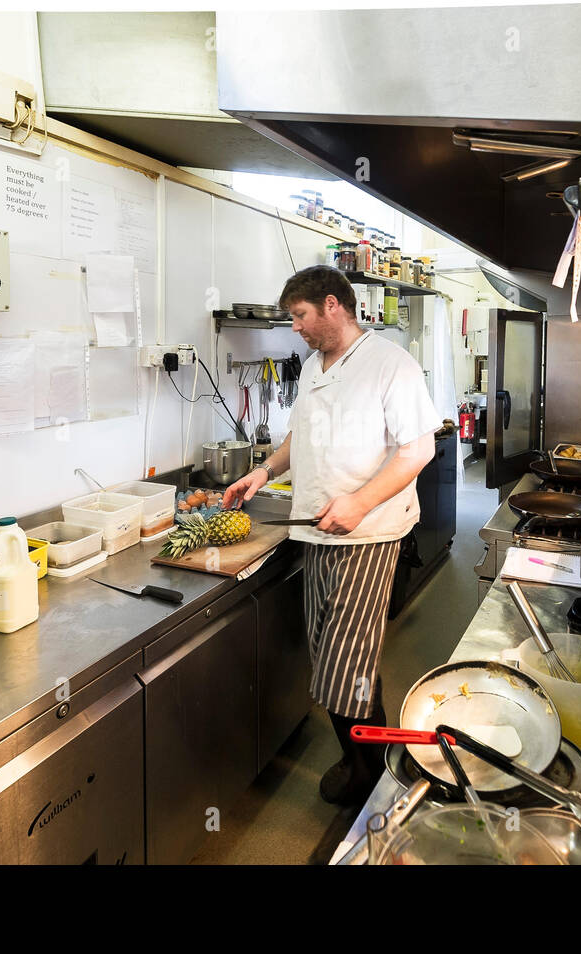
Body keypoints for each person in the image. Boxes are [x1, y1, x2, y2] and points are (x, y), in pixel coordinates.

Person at [222, 265, 442, 804]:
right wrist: (264, 471)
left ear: (332, 306)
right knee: (340, 659)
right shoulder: (317, 367)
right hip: (317, 534)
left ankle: (369, 773)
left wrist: (360, 502)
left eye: (299, 316)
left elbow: (419, 449)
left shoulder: (390, 364)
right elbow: (302, 435)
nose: (294, 327)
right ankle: (376, 762)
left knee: (346, 667)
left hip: (367, 535)